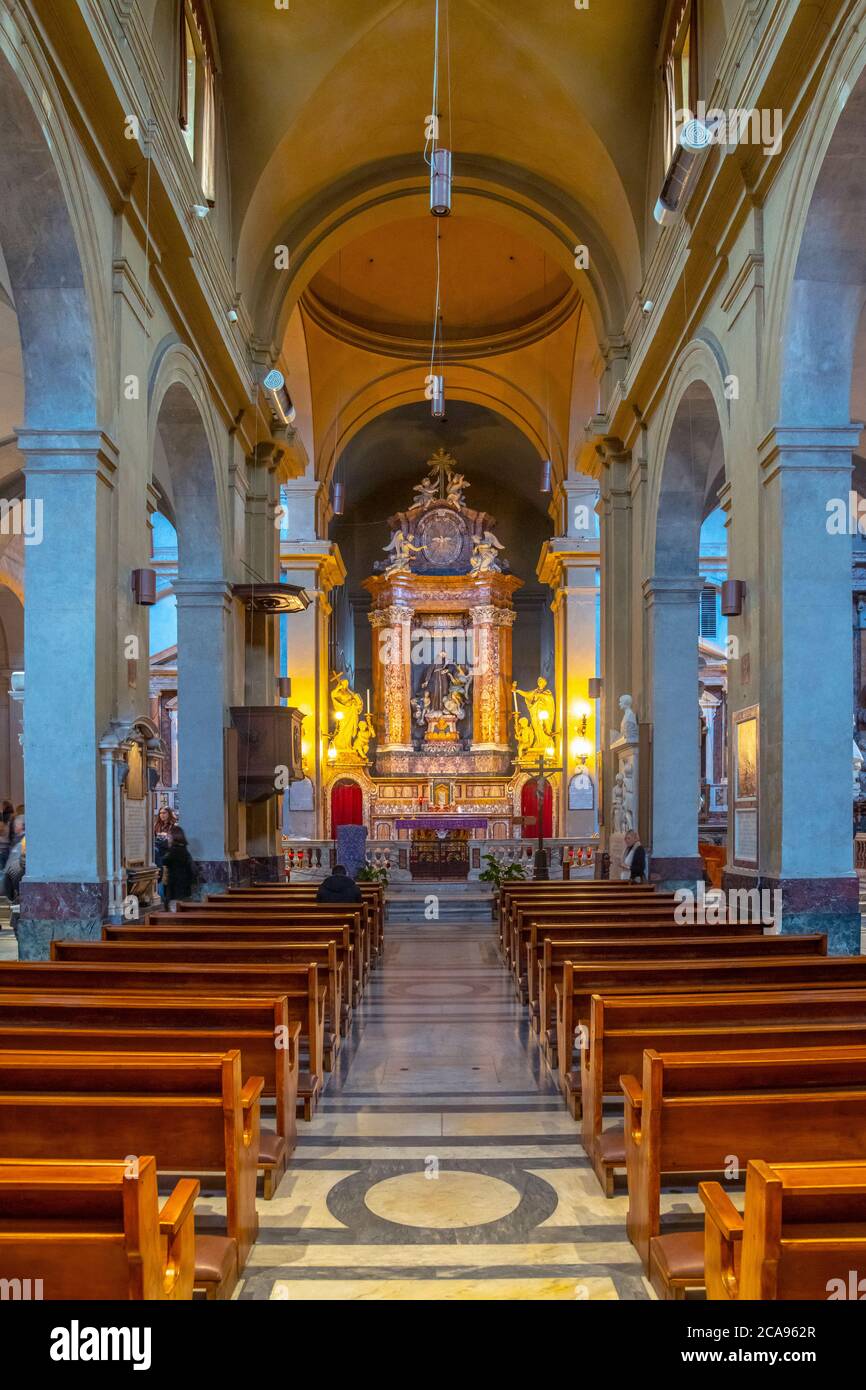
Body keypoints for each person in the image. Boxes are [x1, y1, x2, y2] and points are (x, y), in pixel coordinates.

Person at [161, 825, 198, 911]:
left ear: (174, 836)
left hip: (175, 891)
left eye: (169, 835)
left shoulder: (173, 851)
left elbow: (164, 861)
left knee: (175, 916)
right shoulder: (184, 850)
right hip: (185, 890)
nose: (168, 837)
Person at [153, 806, 176, 909]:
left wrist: (163, 841)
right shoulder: (156, 825)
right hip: (158, 856)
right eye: (161, 813)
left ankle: (164, 900)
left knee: (164, 879)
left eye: (164, 813)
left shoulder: (173, 827)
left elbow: (170, 842)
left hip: (167, 856)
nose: (162, 815)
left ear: (169, 814)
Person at [3, 812, 25, 903]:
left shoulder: (22, 841)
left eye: (16, 825)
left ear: (22, 826)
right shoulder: (20, 839)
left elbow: (12, 867)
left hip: (13, 876)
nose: (14, 827)